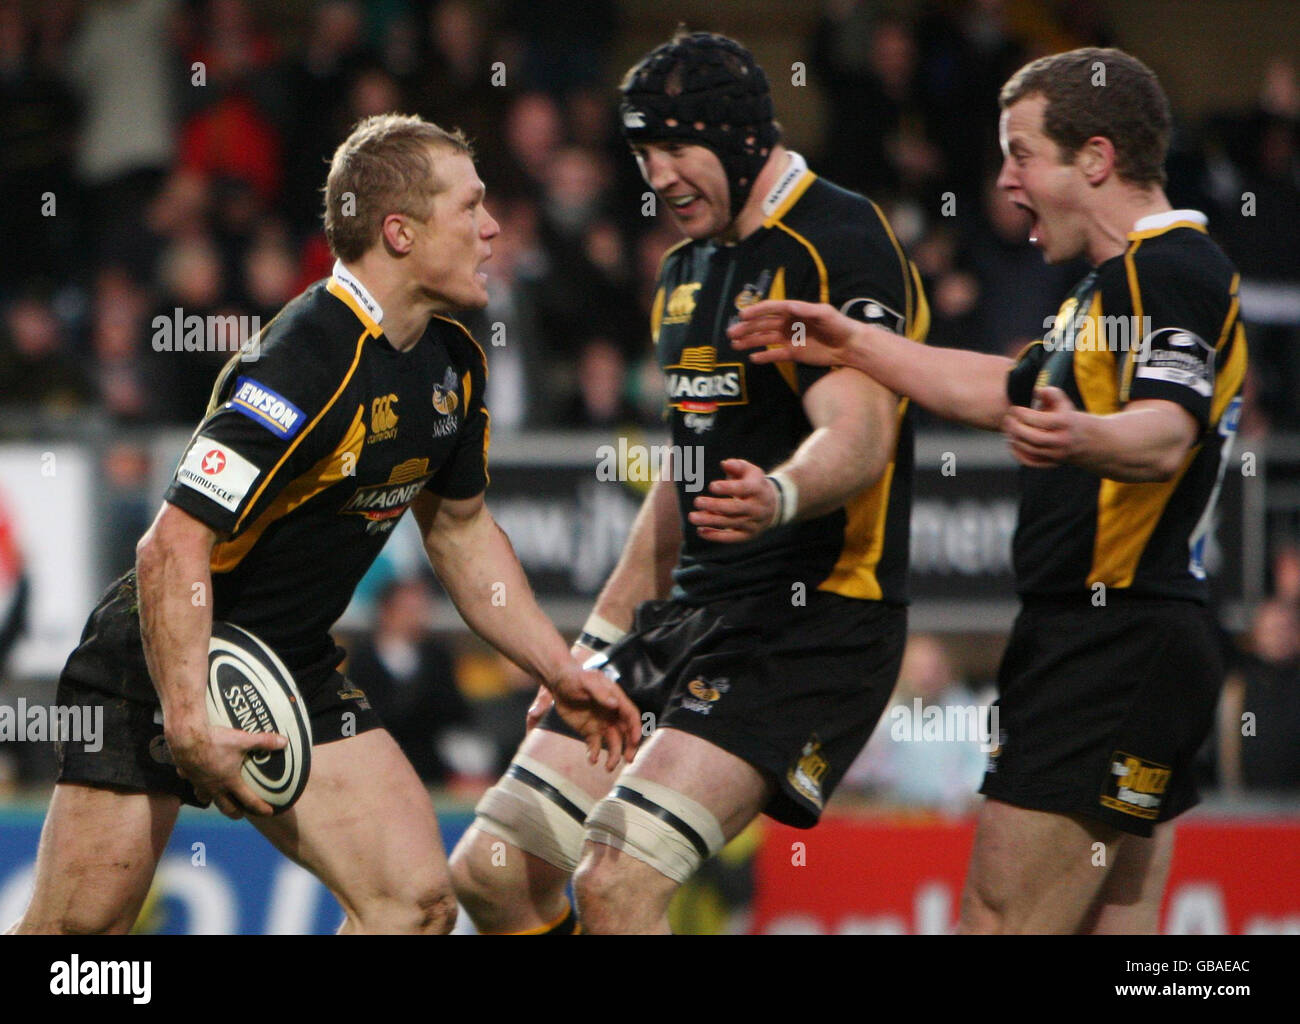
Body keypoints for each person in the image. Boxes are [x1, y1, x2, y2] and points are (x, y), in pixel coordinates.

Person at [11, 113, 639, 936]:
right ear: (399, 231)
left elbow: (460, 534)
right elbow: (171, 544)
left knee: (414, 907)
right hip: (159, 660)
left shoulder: (454, 359)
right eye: (472, 207)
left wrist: (557, 669)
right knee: (79, 941)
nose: (493, 228)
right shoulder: (306, 358)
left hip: (290, 663)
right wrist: (189, 720)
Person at [730, 47, 1247, 933]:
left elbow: (1166, 431)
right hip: (1142, 636)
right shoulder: (1109, 288)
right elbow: (992, 388)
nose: (1005, 182)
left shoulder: (1171, 270)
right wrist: (851, 342)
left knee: (995, 921)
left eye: (1021, 154)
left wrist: (1084, 435)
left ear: (1094, 160)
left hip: (1108, 638)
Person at [448, 30, 929, 935]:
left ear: (743, 138)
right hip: (688, 619)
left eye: (676, 146)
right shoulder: (683, 270)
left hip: (812, 621)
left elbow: (861, 432)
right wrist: (590, 654)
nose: (658, 175)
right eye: (642, 152)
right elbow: (681, 480)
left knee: (620, 882)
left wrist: (782, 494)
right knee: (494, 872)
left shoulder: (838, 237)